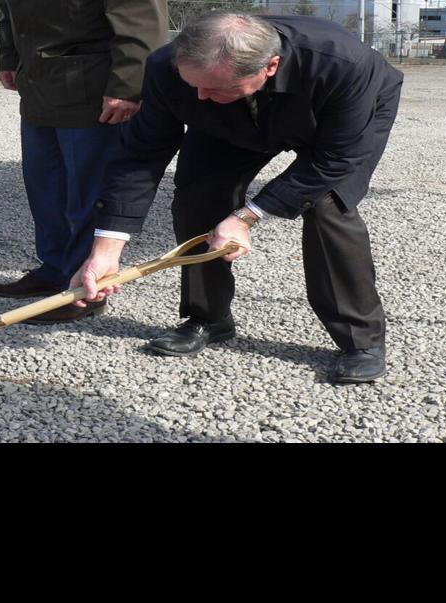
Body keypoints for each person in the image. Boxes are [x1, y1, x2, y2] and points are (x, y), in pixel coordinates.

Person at [71, 12, 402, 383]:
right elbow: (140, 155)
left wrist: (246, 216)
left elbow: (335, 159)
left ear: (271, 66)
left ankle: (361, 340)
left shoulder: (343, 65)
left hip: (327, 117)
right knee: (198, 194)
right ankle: (208, 317)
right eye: (193, 86)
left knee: (327, 205)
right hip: (233, 116)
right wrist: (105, 252)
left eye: (212, 88)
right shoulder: (169, 69)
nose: (199, 97)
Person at [0, 0, 164, 324]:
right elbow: (9, 12)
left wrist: (129, 85)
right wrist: (9, 57)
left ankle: (84, 288)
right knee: (45, 189)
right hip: (39, 86)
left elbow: (140, 20)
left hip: (93, 89)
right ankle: (54, 270)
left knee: (87, 192)